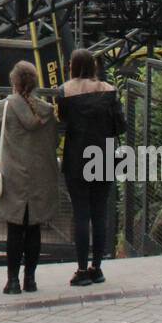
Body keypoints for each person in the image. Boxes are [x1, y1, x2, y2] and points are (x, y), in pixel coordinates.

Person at [0, 61, 61, 294]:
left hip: (13, 177)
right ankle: (30, 279)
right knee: (34, 229)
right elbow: (54, 142)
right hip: (40, 176)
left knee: (14, 230)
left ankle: (12, 281)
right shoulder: (47, 111)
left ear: (14, 82)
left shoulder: (5, 107)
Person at [55, 49, 123, 287]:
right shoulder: (109, 90)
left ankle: (81, 269)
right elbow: (120, 126)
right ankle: (97, 268)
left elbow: (62, 119)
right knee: (100, 211)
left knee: (81, 213)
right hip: (103, 156)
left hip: (77, 158)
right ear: (94, 66)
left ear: (72, 66)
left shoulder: (65, 91)